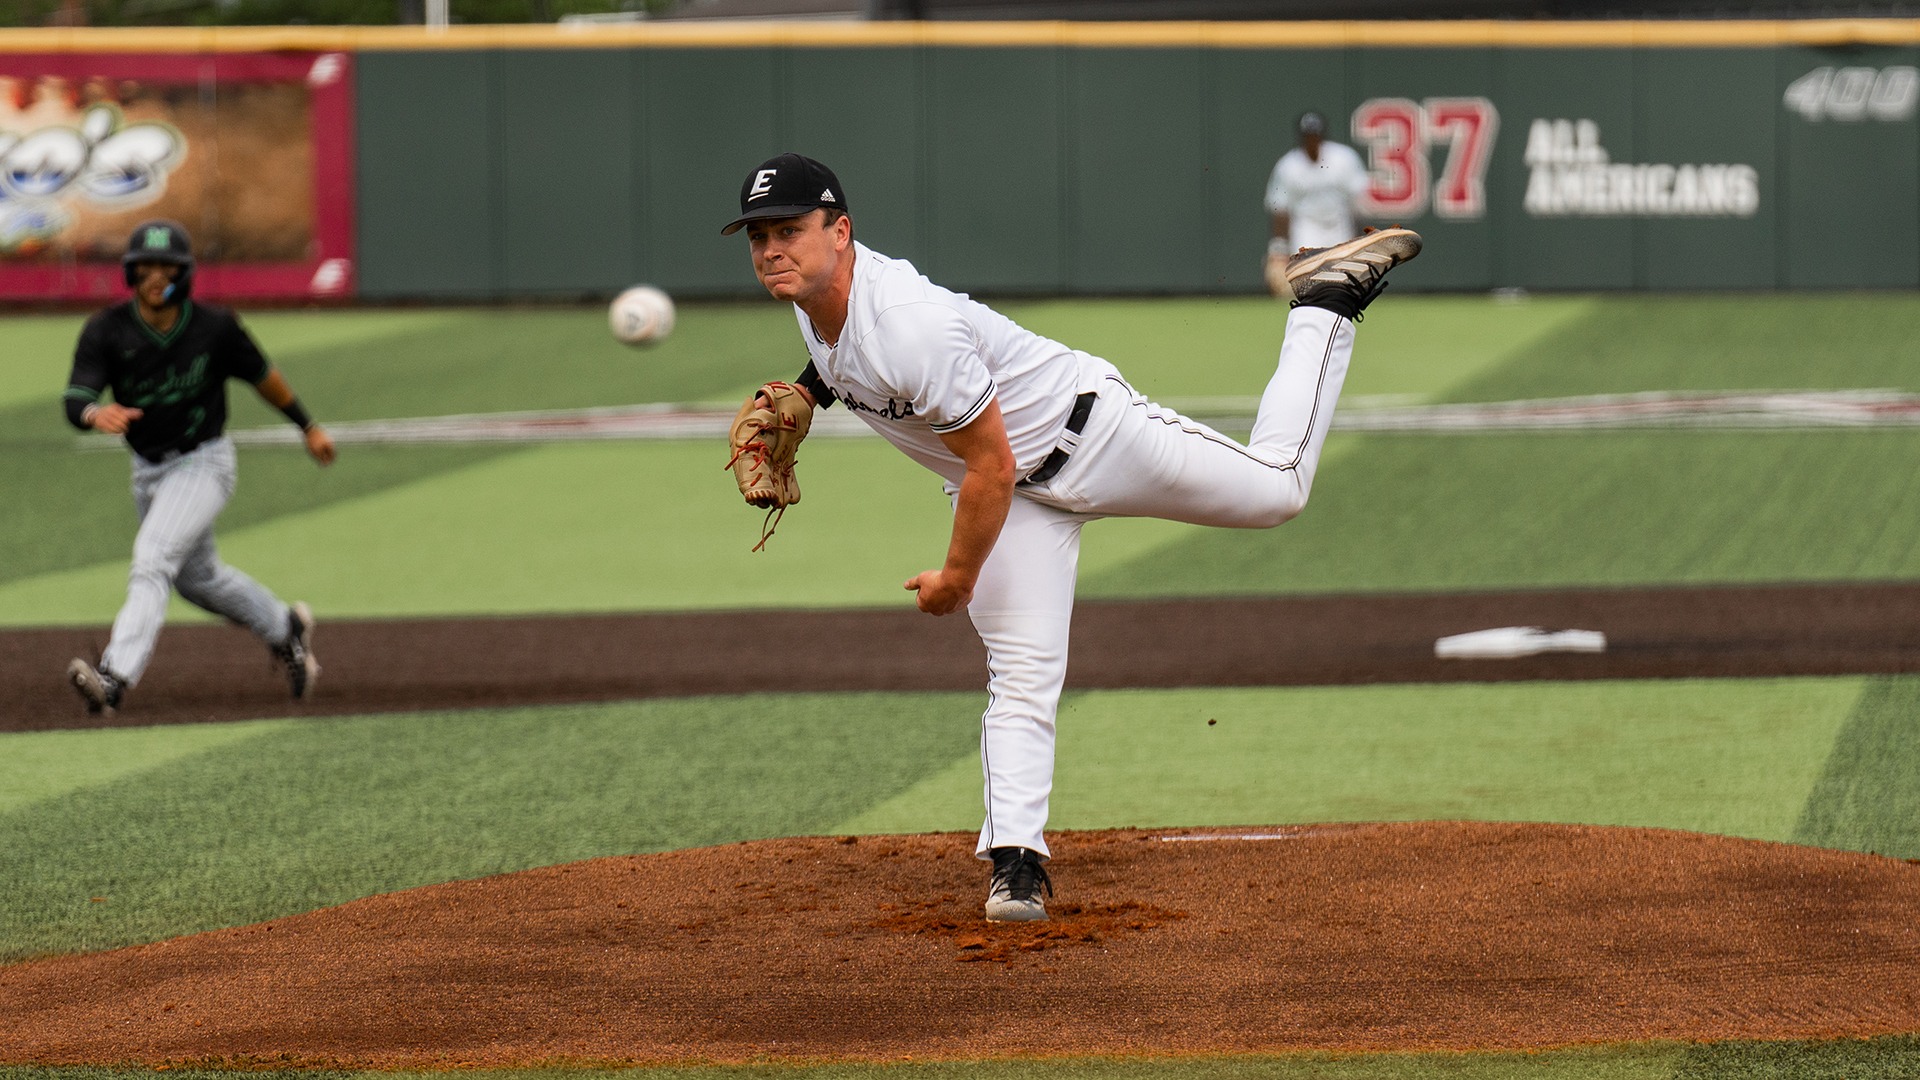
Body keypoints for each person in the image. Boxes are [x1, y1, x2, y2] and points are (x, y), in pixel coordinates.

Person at [722, 154, 1419, 922]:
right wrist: (811, 392)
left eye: (789, 230)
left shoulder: (909, 324)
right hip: (1013, 497)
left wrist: (957, 579)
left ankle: (1322, 302)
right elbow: (853, 364)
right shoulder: (810, 298)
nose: (771, 251)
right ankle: (1016, 865)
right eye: (759, 237)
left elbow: (989, 462)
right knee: (1021, 666)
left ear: (841, 231)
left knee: (1278, 490)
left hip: (1093, 438)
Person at [62, 219, 334, 715]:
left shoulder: (215, 327)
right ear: (130, 273)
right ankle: (286, 628)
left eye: (167, 267)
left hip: (204, 462)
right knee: (198, 578)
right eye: (145, 267)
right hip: (148, 470)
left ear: (184, 274)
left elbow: (263, 377)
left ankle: (114, 677)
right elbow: (76, 395)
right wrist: (92, 413)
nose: (155, 276)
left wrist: (307, 425)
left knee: (152, 558)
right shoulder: (107, 330)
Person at [1263, 110, 1372, 296]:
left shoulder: (1343, 158)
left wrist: (1361, 239)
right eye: (1308, 136)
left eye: (1315, 135)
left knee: (1345, 282)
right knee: (1309, 283)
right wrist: (1278, 248)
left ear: (1323, 135)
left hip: (1339, 223)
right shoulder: (1289, 166)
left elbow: (1358, 202)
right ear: (1301, 138)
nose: (1312, 140)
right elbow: (1280, 208)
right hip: (1307, 226)